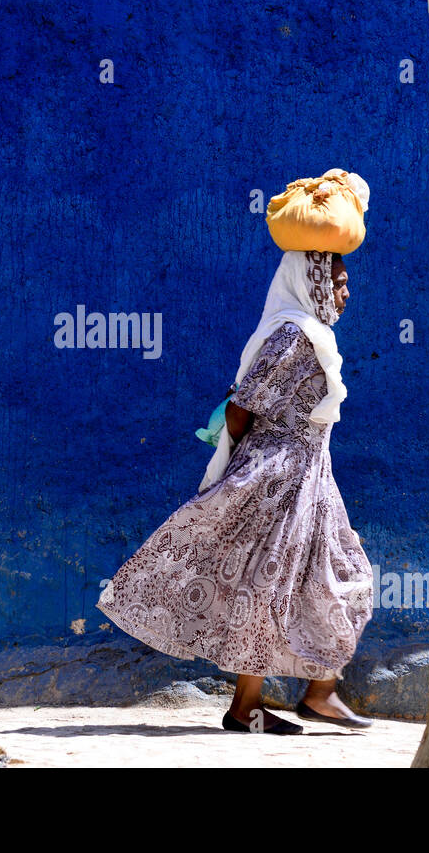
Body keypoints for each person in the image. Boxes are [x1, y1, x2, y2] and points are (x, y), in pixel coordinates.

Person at [96, 248, 374, 735]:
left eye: (345, 283)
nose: (345, 293)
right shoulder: (293, 336)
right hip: (276, 479)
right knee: (272, 586)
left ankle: (314, 693)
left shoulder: (313, 336)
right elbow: (241, 410)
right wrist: (250, 469)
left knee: (330, 578)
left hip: (311, 479)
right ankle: (263, 704)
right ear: (309, 284)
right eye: (338, 283)